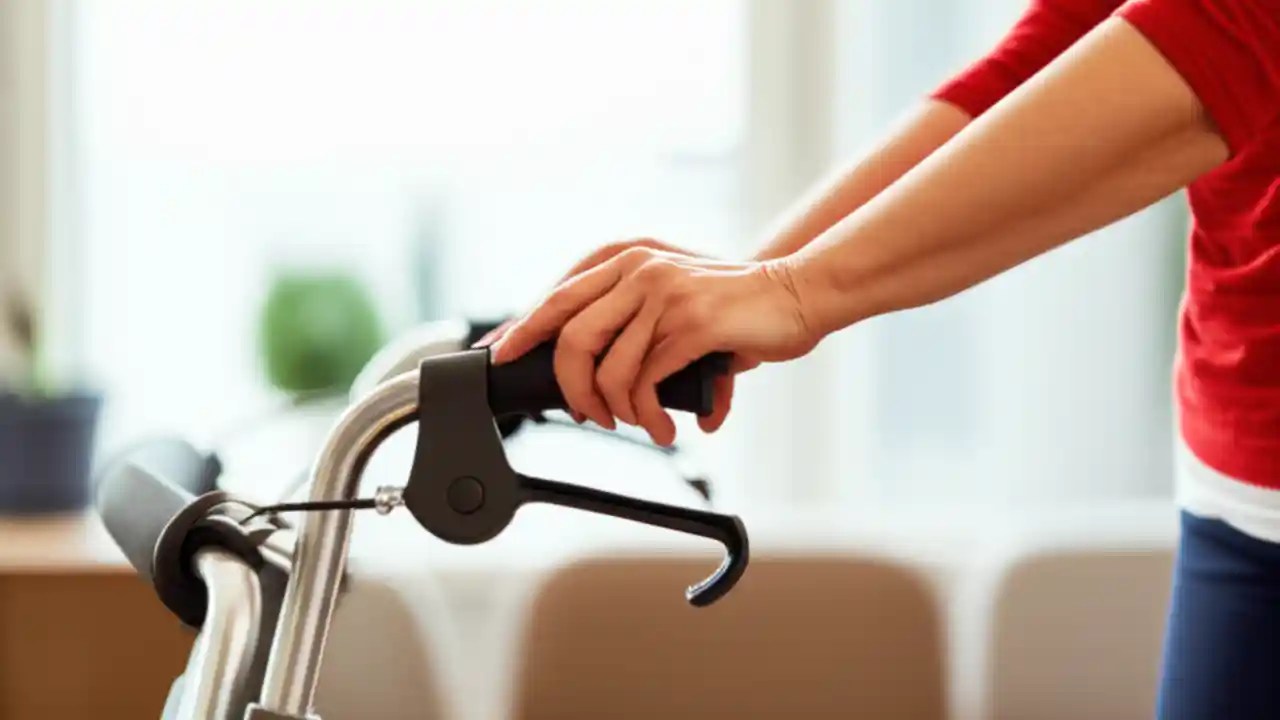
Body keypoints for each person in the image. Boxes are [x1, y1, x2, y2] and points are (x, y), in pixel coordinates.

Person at [480, 1, 1280, 715]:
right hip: (1237, 464)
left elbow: (1227, 35)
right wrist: (751, 280)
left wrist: (796, 288)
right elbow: (1079, 35)